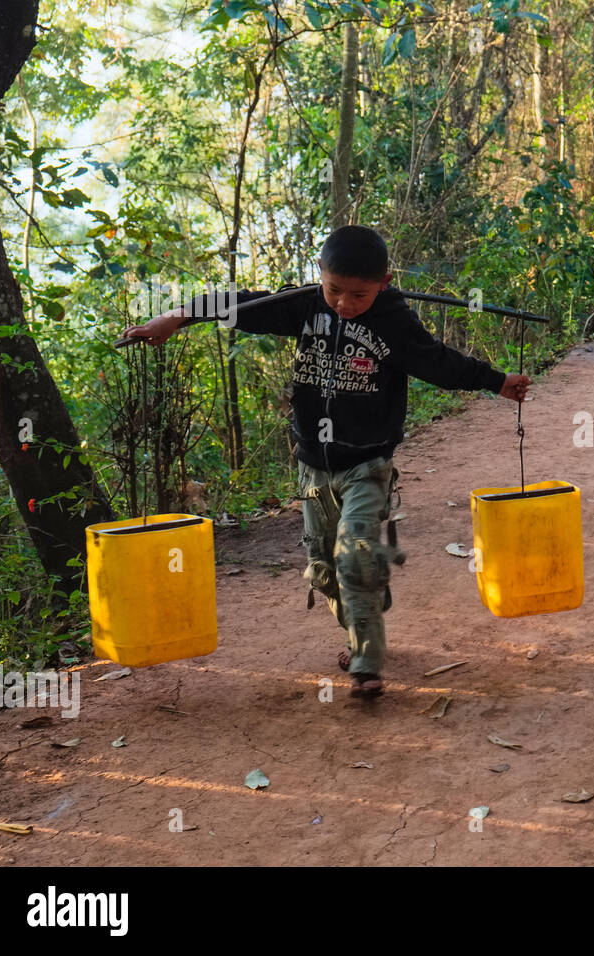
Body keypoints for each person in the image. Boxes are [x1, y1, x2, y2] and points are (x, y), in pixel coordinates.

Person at [123, 226, 531, 698]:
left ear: (385, 281)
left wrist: (496, 380)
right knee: (326, 567)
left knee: (354, 554)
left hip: (368, 465)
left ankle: (366, 663)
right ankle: (364, 611)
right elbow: (239, 304)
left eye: (358, 294)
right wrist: (176, 317)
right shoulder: (304, 304)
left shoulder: (394, 320)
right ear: (320, 275)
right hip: (313, 468)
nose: (343, 303)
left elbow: (438, 362)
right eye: (334, 290)